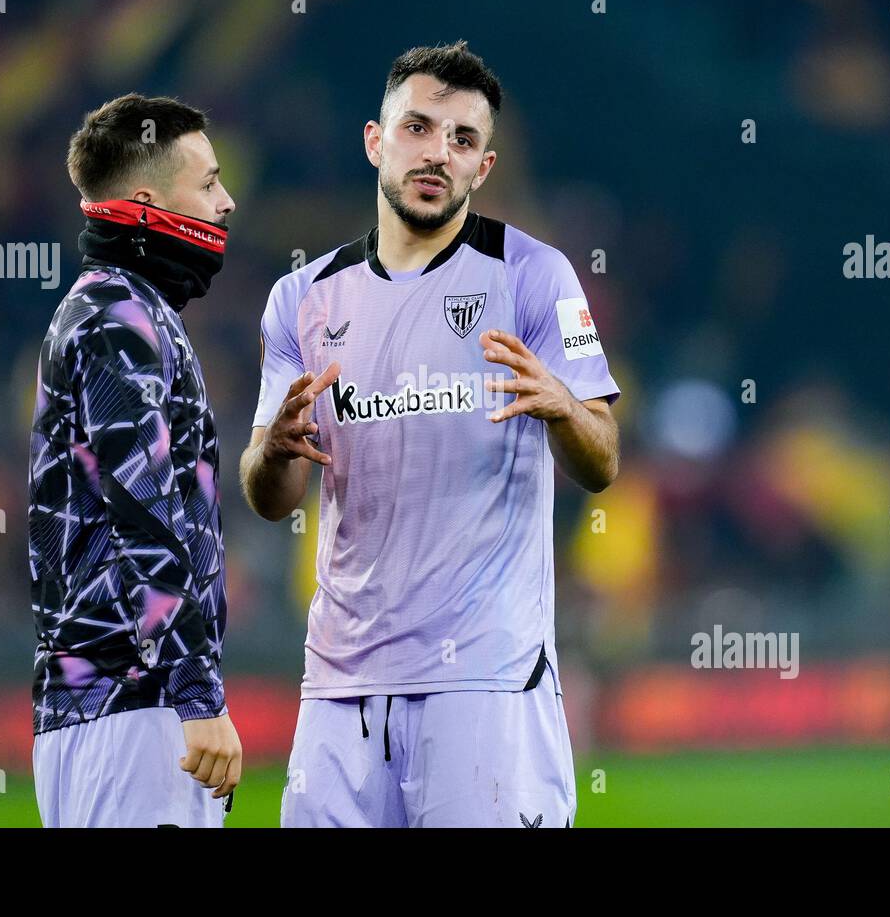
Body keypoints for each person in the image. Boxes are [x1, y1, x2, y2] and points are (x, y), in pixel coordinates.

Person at [241, 42, 620, 827]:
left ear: (483, 168)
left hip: (487, 680)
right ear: (376, 140)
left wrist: (563, 407)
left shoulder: (535, 277)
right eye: (418, 127)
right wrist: (271, 451)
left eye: (462, 139)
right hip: (340, 685)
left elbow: (603, 458)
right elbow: (271, 496)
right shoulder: (301, 299)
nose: (437, 153)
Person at [28, 93, 241, 826]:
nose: (227, 201)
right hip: (133, 706)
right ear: (149, 204)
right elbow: (142, 514)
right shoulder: (119, 317)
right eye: (209, 181)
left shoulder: (122, 306)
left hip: (111, 706)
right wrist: (197, 694)